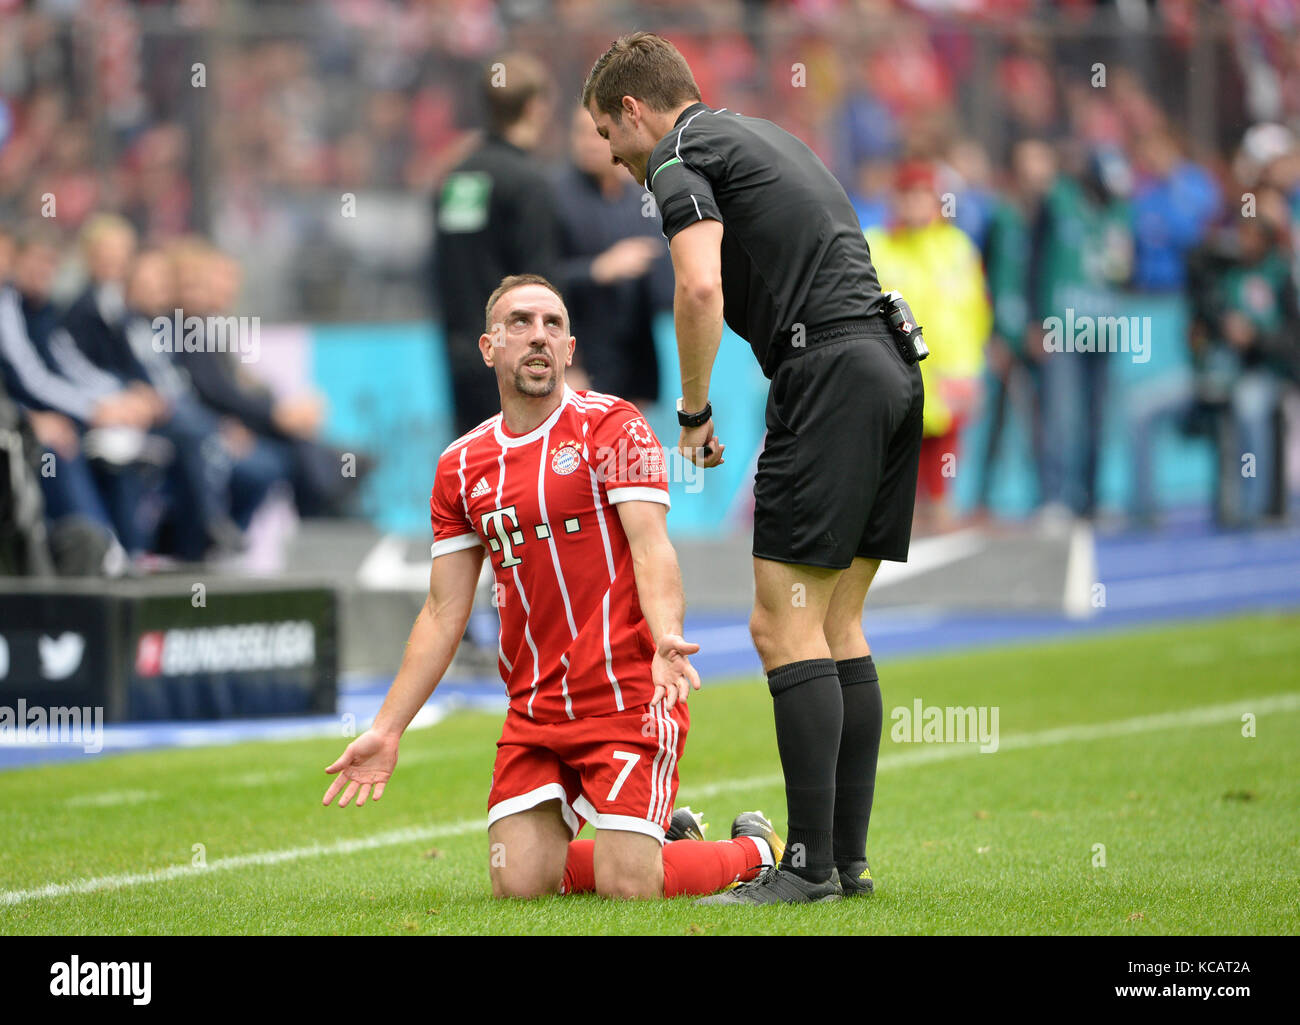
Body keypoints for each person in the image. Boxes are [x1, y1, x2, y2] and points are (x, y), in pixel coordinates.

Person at [584, 32, 925, 904]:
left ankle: (806, 864)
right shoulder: (764, 135)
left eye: (607, 133)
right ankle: (844, 861)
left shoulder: (679, 153)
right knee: (838, 624)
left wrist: (691, 409)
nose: (615, 159)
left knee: (783, 626)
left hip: (830, 375)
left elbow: (699, 286)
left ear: (634, 109)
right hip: (889, 366)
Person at [323, 274, 780, 900]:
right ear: (489, 348)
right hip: (534, 708)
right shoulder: (460, 465)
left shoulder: (614, 426)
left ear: (568, 349)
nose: (539, 335)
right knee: (520, 883)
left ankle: (751, 849)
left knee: (628, 888)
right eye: (520, 322)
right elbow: (442, 608)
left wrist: (668, 636)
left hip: (626, 696)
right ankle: (652, 837)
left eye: (553, 324)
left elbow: (652, 549)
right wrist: (389, 727)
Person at [432, 54, 563, 436]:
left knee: (475, 468)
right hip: (520, 359)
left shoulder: (457, 179)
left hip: (464, 349)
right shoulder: (527, 183)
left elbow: (441, 268)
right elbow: (541, 282)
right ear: (535, 107)